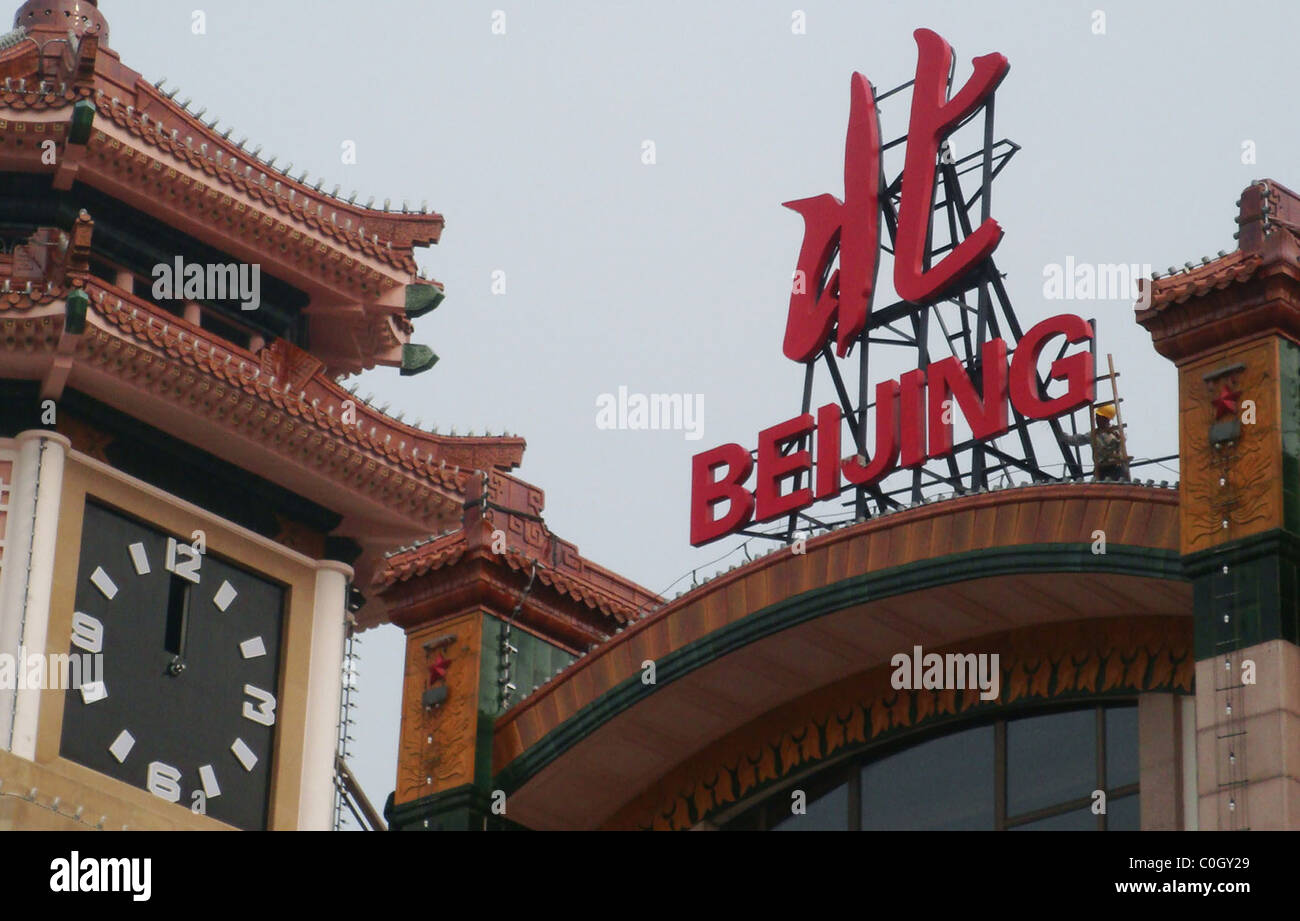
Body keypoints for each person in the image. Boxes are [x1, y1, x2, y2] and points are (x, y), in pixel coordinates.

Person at [1064, 405, 1128, 481]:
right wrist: (1062, 435)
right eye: (1096, 417)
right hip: (1101, 470)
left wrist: (1117, 437)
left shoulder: (1116, 433)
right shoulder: (1093, 435)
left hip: (1116, 469)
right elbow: (1076, 440)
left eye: (1099, 417)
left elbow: (1120, 442)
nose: (1096, 419)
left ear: (1106, 419)